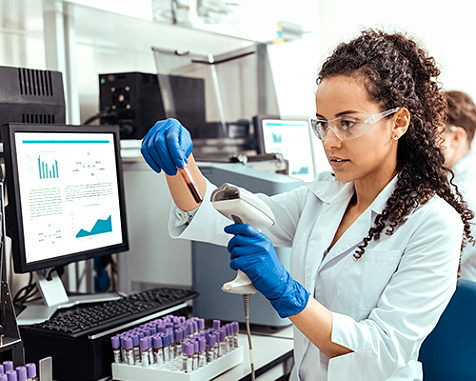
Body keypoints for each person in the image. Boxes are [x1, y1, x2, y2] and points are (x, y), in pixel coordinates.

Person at [140, 30, 473, 381]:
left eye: (347, 123)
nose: (330, 141)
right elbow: (221, 213)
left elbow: (382, 351)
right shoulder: (322, 196)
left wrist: (287, 293)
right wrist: (179, 164)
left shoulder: (435, 224)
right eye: (323, 124)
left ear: (399, 122)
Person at [441, 90, 476, 280]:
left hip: (463, 304)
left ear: (456, 137)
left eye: (432, 133)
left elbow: (440, 260)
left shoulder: (467, 196)